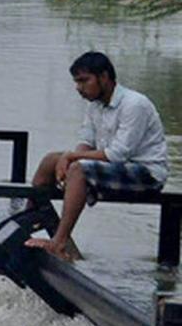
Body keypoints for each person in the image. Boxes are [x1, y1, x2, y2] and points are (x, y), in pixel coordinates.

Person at [24, 52, 169, 260]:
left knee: (79, 169)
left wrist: (72, 160)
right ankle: (26, 224)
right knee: (50, 161)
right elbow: (86, 141)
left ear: (104, 77)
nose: (79, 88)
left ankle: (59, 243)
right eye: (77, 82)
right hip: (114, 168)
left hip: (146, 174)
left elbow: (118, 154)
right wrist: (67, 163)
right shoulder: (95, 105)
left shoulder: (135, 104)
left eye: (84, 81)